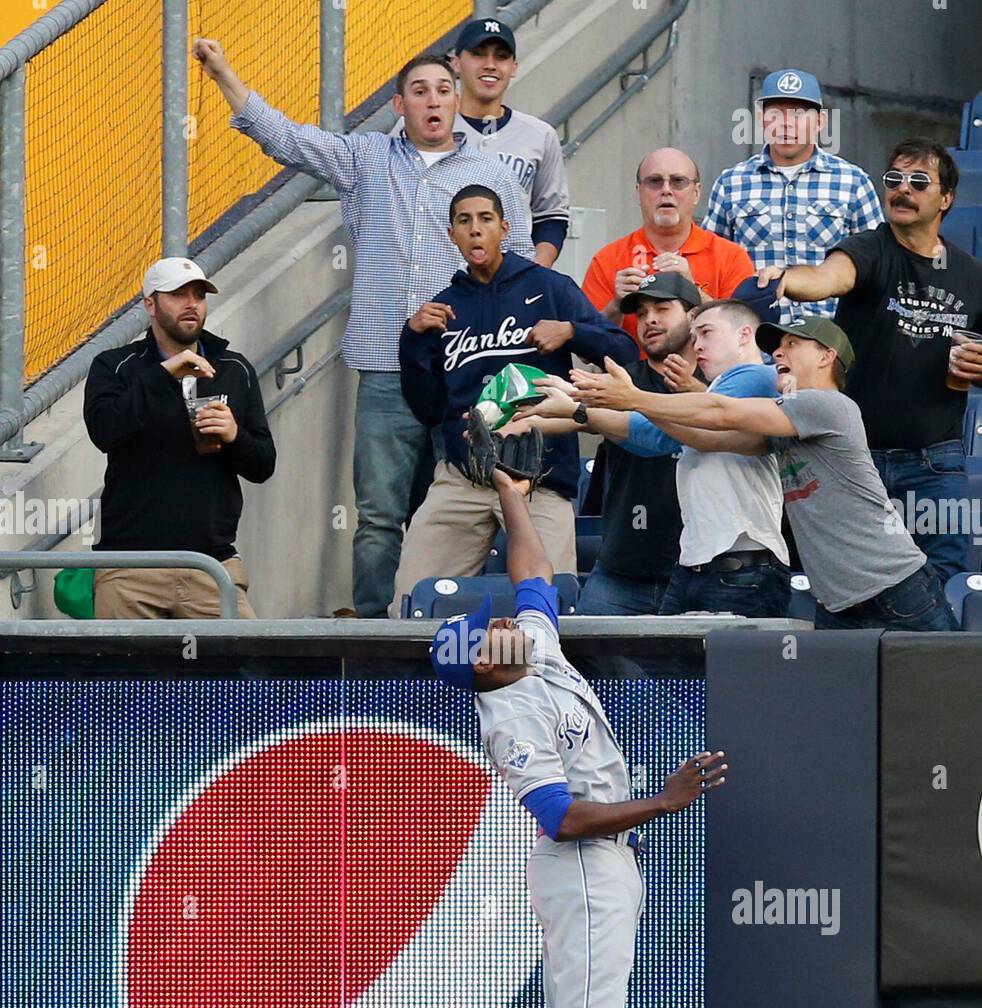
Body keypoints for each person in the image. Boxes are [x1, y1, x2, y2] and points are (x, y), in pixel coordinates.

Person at [428, 465, 727, 1008]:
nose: (506, 626)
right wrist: (663, 803)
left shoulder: (536, 653)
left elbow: (534, 575)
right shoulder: (509, 712)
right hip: (582, 868)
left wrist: (509, 493)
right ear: (481, 670)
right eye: (489, 637)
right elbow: (560, 816)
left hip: (603, 871)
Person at [193, 38, 535, 618]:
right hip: (386, 368)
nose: (433, 101)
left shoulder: (493, 174)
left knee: (471, 507)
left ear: (459, 100)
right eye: (419, 91)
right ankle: (376, 632)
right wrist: (223, 72)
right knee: (378, 516)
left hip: (466, 373)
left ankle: (453, 622)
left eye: (444, 91)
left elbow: (518, 270)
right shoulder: (366, 157)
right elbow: (285, 137)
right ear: (399, 105)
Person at [571, 319, 957, 631]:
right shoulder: (785, 425)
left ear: (827, 356)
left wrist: (635, 398)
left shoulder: (827, 405)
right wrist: (600, 411)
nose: (777, 352)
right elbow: (707, 438)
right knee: (846, 720)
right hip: (838, 602)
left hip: (898, 587)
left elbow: (721, 412)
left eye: (793, 344)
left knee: (953, 707)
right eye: (778, 346)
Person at [392, 185, 635, 615]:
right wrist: (411, 342)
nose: (475, 230)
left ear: (504, 228)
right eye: (464, 222)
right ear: (452, 235)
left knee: (552, 607)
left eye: (485, 219)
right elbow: (428, 410)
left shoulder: (549, 288)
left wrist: (573, 332)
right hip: (464, 478)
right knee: (411, 604)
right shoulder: (444, 308)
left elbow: (625, 352)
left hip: (537, 476)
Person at [756, 137, 982, 584]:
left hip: (936, 462)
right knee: (844, 581)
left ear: (947, 198)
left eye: (919, 181)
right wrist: (790, 280)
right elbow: (826, 279)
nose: (903, 189)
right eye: (894, 179)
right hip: (855, 458)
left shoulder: (972, 277)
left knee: (943, 586)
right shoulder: (868, 248)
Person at [522, 300, 792, 617]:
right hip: (698, 566)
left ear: (746, 335)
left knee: (719, 666)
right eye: (694, 336)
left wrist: (597, 405)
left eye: (706, 333)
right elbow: (651, 440)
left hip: (740, 568)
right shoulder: (717, 389)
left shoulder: (756, 376)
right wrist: (537, 419)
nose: (698, 345)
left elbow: (660, 432)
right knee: (667, 663)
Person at [83, 257, 275, 619]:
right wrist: (163, 374)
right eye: (178, 295)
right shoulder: (115, 366)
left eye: (199, 295)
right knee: (124, 675)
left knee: (244, 669)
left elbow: (263, 464)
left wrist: (235, 436)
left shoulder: (234, 369)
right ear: (150, 305)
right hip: (130, 568)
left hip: (211, 564)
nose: (192, 304)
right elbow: (105, 430)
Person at [702, 68, 882, 323]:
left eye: (798, 114)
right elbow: (711, 262)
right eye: (775, 114)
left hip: (830, 342)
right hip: (754, 340)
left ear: (820, 122)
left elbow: (877, 266)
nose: (786, 124)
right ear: (761, 119)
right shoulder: (732, 183)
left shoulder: (853, 182)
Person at [581, 149, 754, 350]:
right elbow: (586, 351)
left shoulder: (731, 257)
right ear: (638, 192)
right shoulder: (608, 259)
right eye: (655, 181)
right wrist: (616, 305)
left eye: (678, 181)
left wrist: (693, 291)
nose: (666, 190)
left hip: (710, 380)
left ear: (696, 193)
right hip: (628, 379)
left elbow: (745, 339)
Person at [452, 17, 570, 266]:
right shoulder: (426, 129)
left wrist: (535, 270)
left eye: (501, 56)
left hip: (512, 279)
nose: (490, 65)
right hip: (441, 276)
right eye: (478, 54)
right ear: (456, 63)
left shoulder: (540, 135)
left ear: (514, 67)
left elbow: (551, 215)